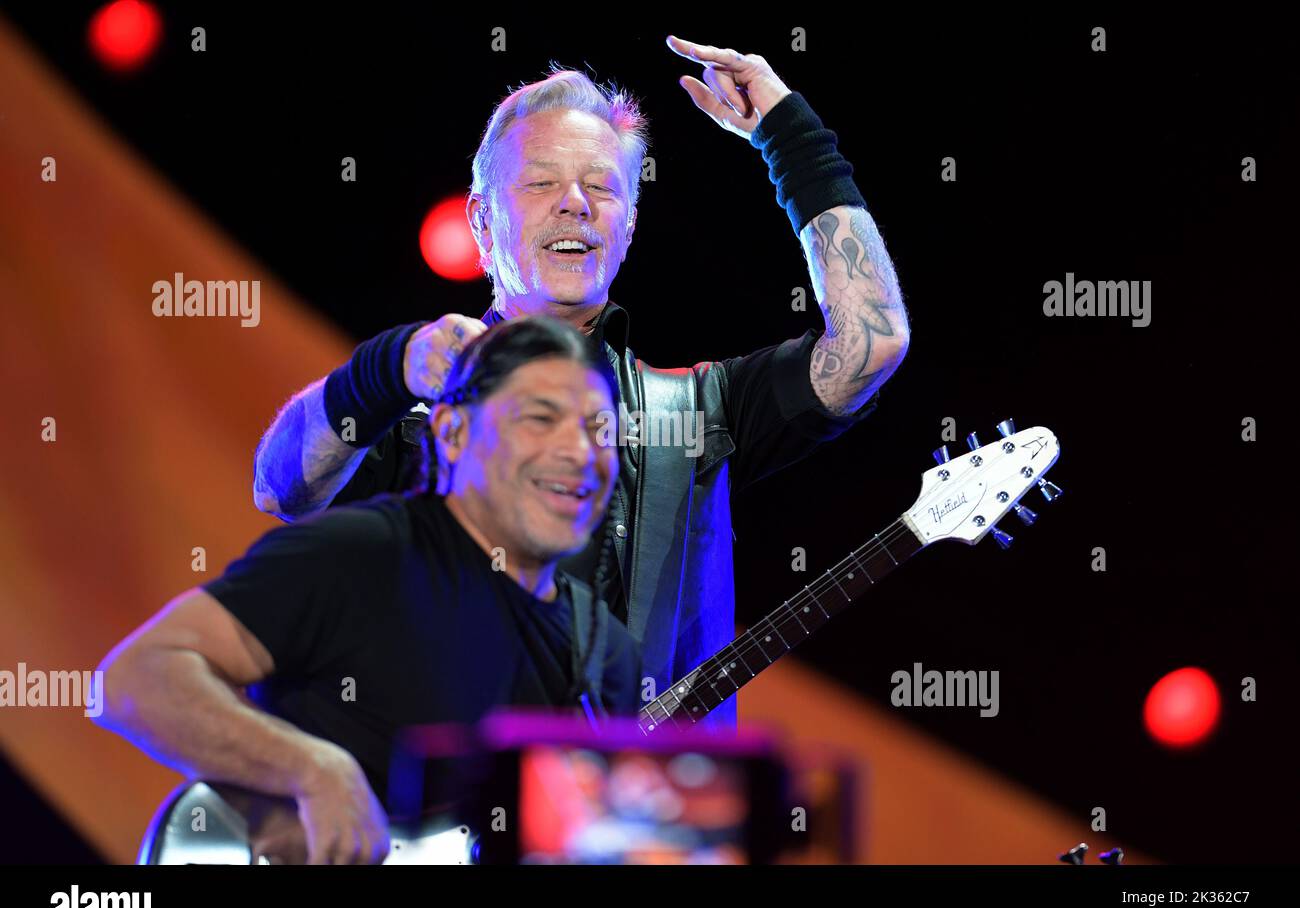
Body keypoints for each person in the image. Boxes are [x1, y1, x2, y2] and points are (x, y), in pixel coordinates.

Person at [251, 38, 910, 730]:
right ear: (481, 221)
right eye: (540, 183)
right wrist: (385, 367)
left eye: (601, 186)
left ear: (627, 225)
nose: (575, 203)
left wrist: (789, 134)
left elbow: (874, 342)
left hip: (646, 826)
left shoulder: (697, 410)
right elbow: (280, 486)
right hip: (442, 819)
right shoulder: (415, 405)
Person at [94, 317, 639, 864]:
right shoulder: (361, 552)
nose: (578, 451)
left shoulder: (608, 653)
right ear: (452, 433)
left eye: (598, 429)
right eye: (540, 419)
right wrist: (311, 770)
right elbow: (135, 677)